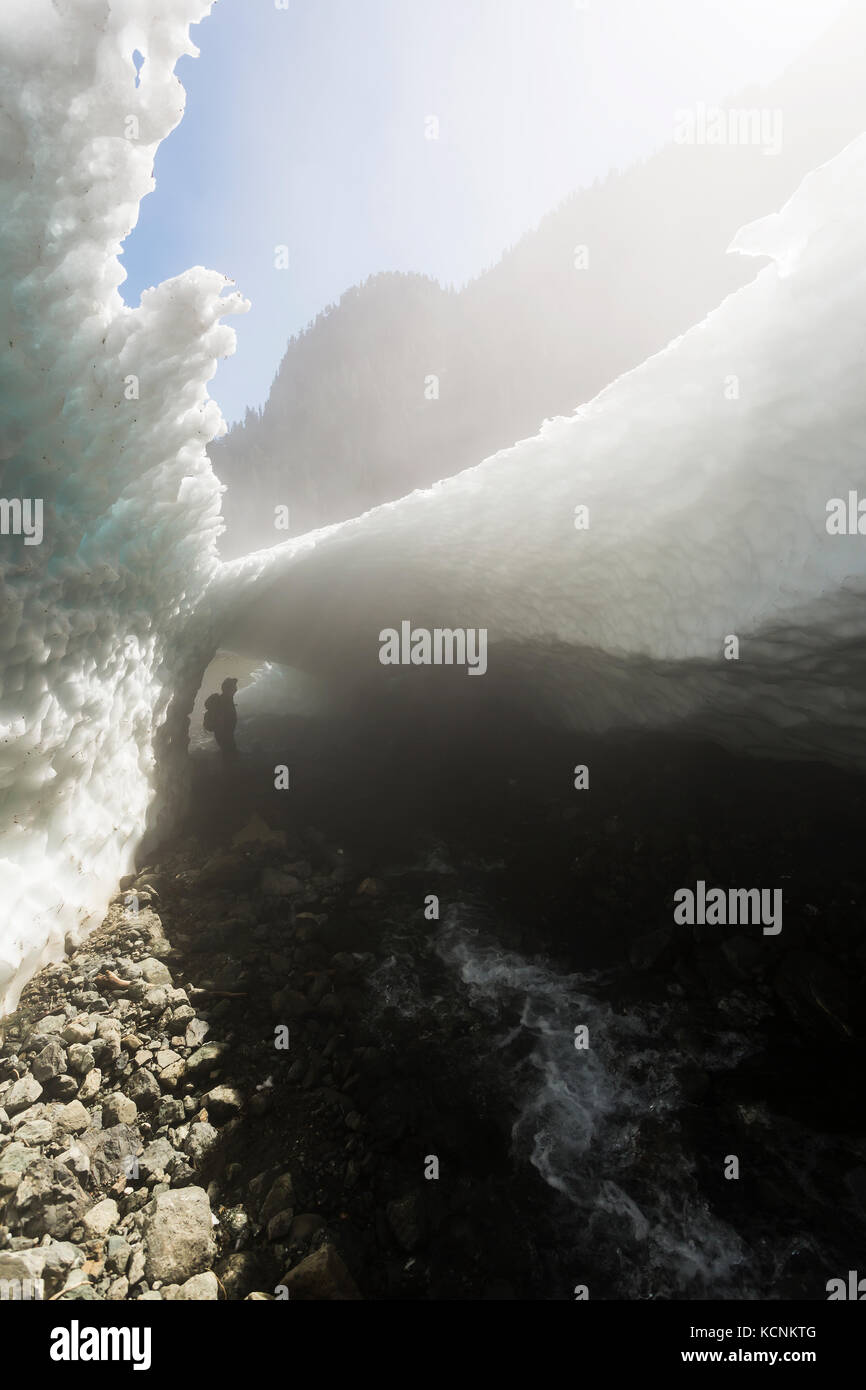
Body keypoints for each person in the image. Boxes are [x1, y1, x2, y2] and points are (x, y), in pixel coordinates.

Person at [203, 676, 238, 755]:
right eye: (234, 686)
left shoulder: (228, 699)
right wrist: (224, 733)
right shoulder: (224, 701)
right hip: (224, 734)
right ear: (228, 689)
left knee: (228, 752)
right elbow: (222, 720)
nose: (236, 688)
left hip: (225, 734)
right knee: (230, 753)